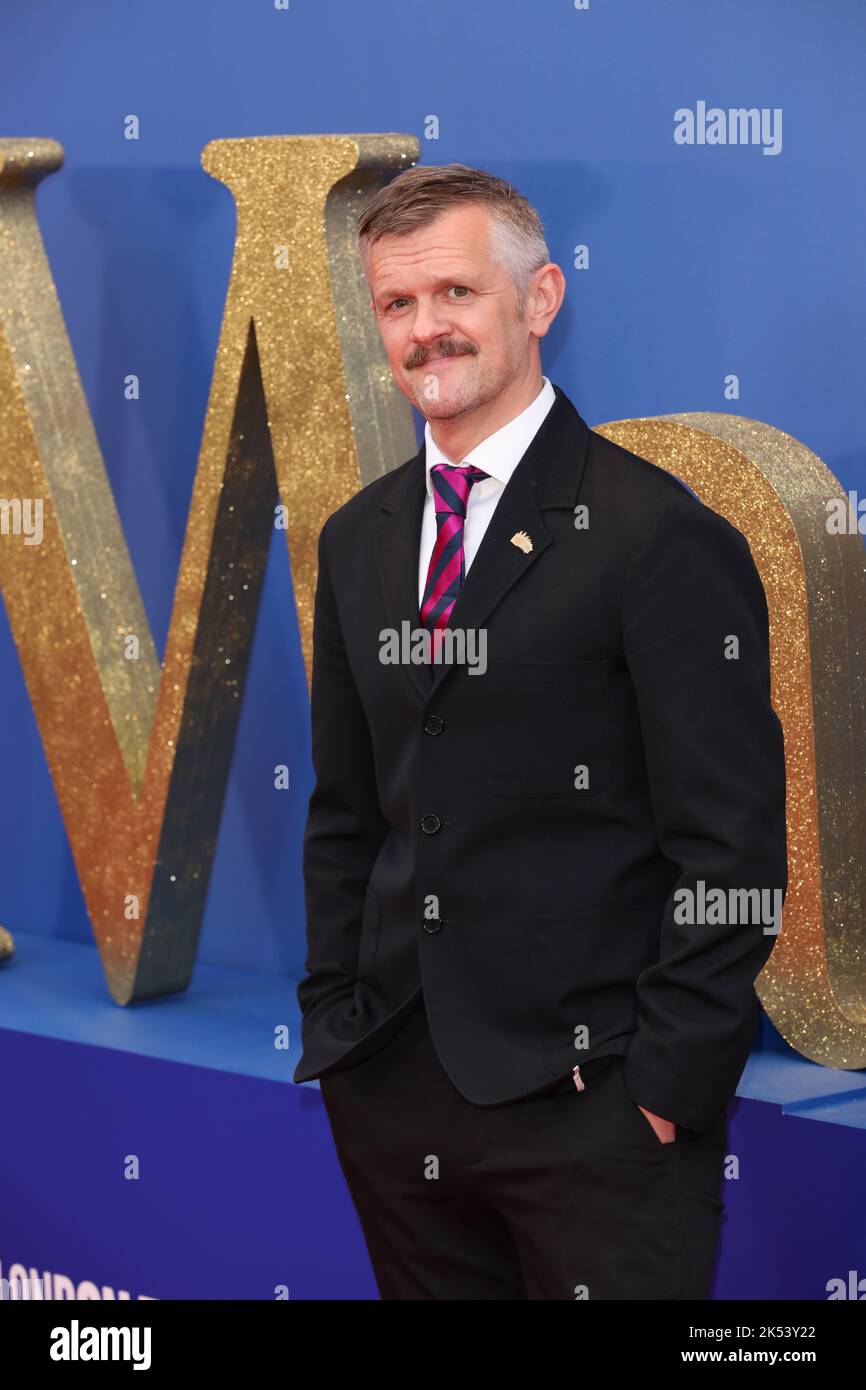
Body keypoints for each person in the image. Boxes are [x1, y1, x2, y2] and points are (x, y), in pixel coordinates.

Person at [293, 162, 788, 1300]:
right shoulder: (355, 537)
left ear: (538, 298)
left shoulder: (655, 534)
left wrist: (666, 1081)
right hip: (394, 1092)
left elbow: (732, 845)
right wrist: (338, 1021)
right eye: (396, 305)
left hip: (597, 1113)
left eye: (455, 293)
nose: (426, 331)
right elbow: (345, 806)